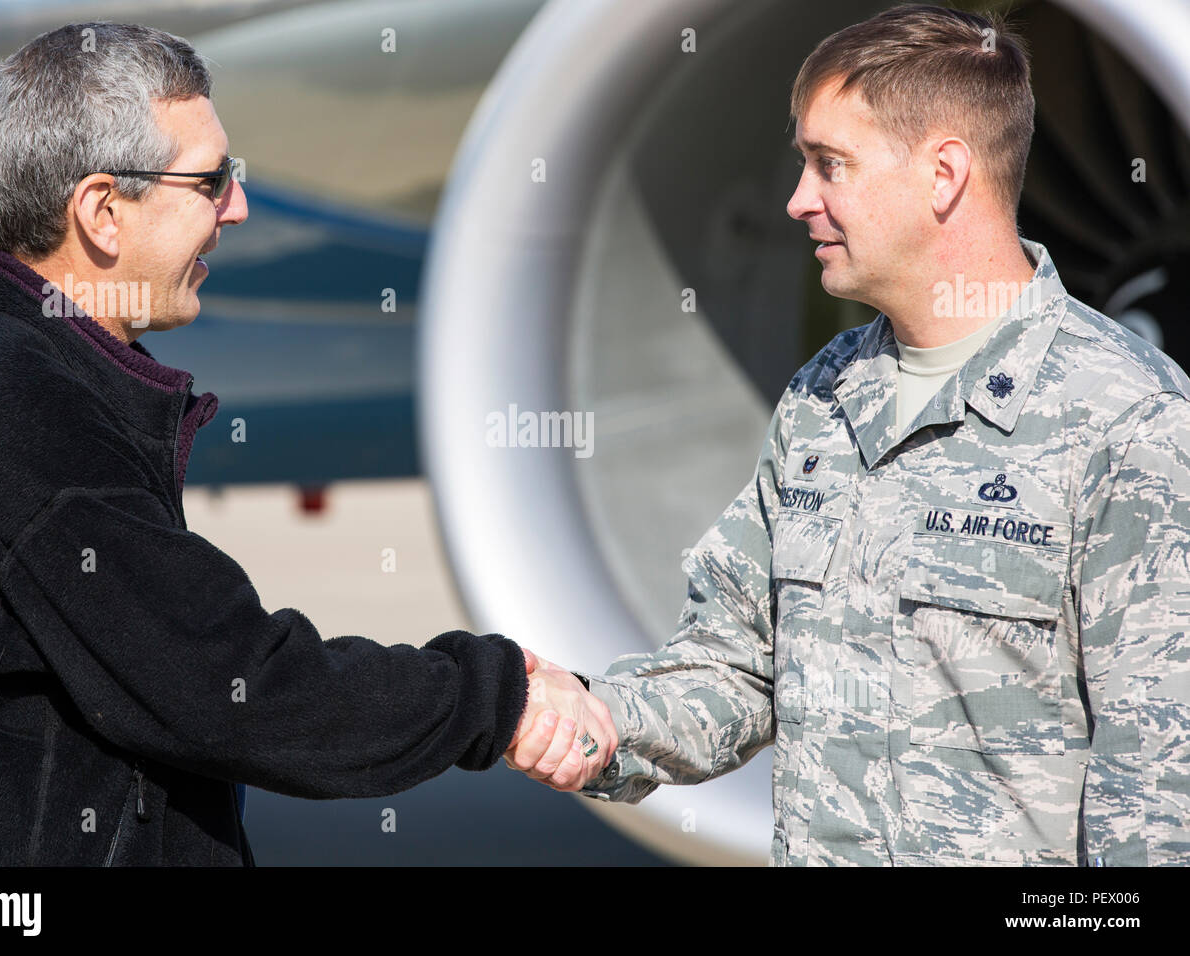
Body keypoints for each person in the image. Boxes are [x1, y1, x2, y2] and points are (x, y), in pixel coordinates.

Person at [0, 21, 615, 866]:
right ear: (102, 212)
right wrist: (500, 696)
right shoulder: (31, 417)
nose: (236, 205)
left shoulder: (14, 364)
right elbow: (242, 693)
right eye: (210, 180)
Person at [506, 4, 1190, 866]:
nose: (798, 201)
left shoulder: (1130, 424)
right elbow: (738, 665)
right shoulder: (826, 397)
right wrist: (595, 720)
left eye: (831, 165)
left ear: (943, 175)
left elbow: (1160, 806)